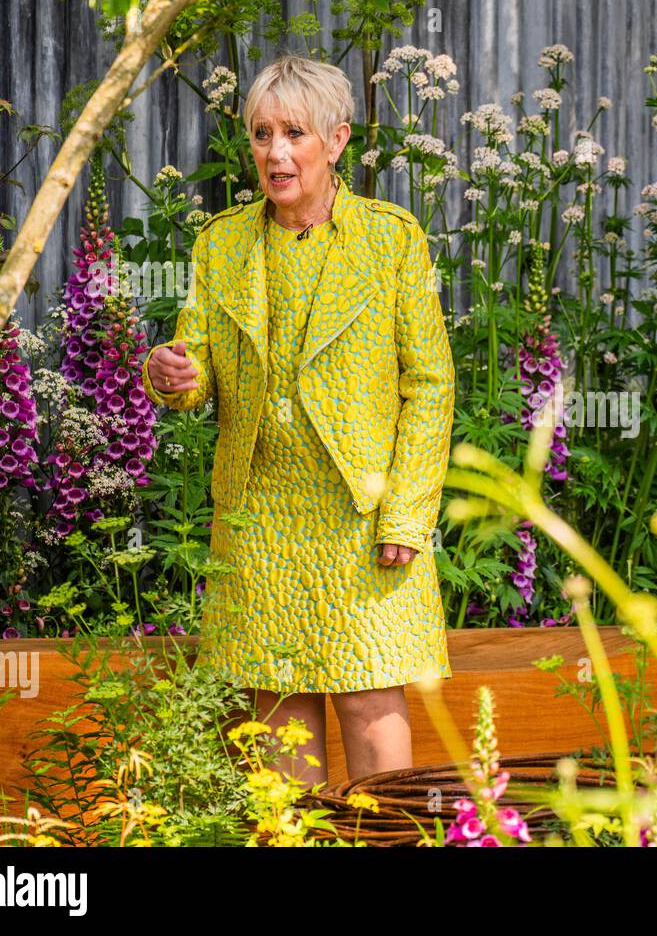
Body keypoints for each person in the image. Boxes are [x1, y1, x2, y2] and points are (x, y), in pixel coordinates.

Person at [142, 54, 455, 785]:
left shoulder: (393, 239)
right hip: (260, 516)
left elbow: (433, 387)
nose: (275, 153)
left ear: (337, 139)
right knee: (280, 714)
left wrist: (407, 517)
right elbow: (198, 377)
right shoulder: (219, 243)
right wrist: (172, 378)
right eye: (261, 134)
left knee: (371, 704)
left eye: (294, 133)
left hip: (365, 518)